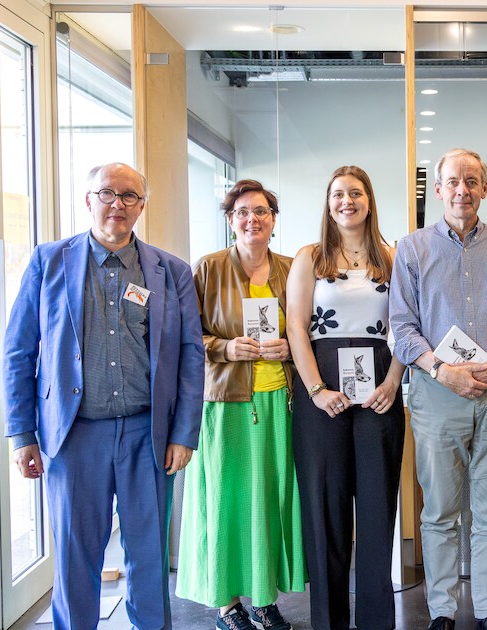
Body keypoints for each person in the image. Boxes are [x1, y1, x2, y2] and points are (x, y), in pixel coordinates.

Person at [4, 162, 204, 629]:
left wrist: (184, 433)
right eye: (108, 193)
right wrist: (22, 434)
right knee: (76, 560)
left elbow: (192, 356)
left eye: (129, 196)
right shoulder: (48, 261)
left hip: (147, 434)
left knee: (149, 558)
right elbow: (18, 351)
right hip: (74, 438)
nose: (118, 204)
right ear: (88, 200)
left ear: (142, 206)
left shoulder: (171, 271)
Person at [389, 148, 487, 630]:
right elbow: (402, 328)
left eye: (471, 181)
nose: (462, 190)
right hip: (437, 395)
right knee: (441, 511)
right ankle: (443, 611)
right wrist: (440, 369)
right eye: (453, 182)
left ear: (484, 189)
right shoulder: (411, 250)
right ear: (438, 189)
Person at [177, 179, 306, 630]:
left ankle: (265, 599)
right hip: (227, 404)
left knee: (270, 502)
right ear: (230, 220)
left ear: (274, 218)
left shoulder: (293, 268)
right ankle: (227, 604)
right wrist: (226, 349)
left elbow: (308, 331)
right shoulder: (208, 268)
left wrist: (291, 349)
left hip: (281, 404)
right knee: (226, 502)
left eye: (262, 210)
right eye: (242, 212)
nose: (253, 219)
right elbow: (189, 335)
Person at [286, 166, 407, 630]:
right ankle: (328, 622)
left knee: (377, 508)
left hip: (379, 383)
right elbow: (297, 326)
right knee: (325, 508)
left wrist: (393, 381)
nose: (347, 201)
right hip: (322, 386)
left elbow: (406, 327)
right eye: (338, 194)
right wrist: (315, 389)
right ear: (328, 202)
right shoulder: (309, 257)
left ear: (369, 200)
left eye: (355, 193)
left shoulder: (392, 257)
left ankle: (377, 621)